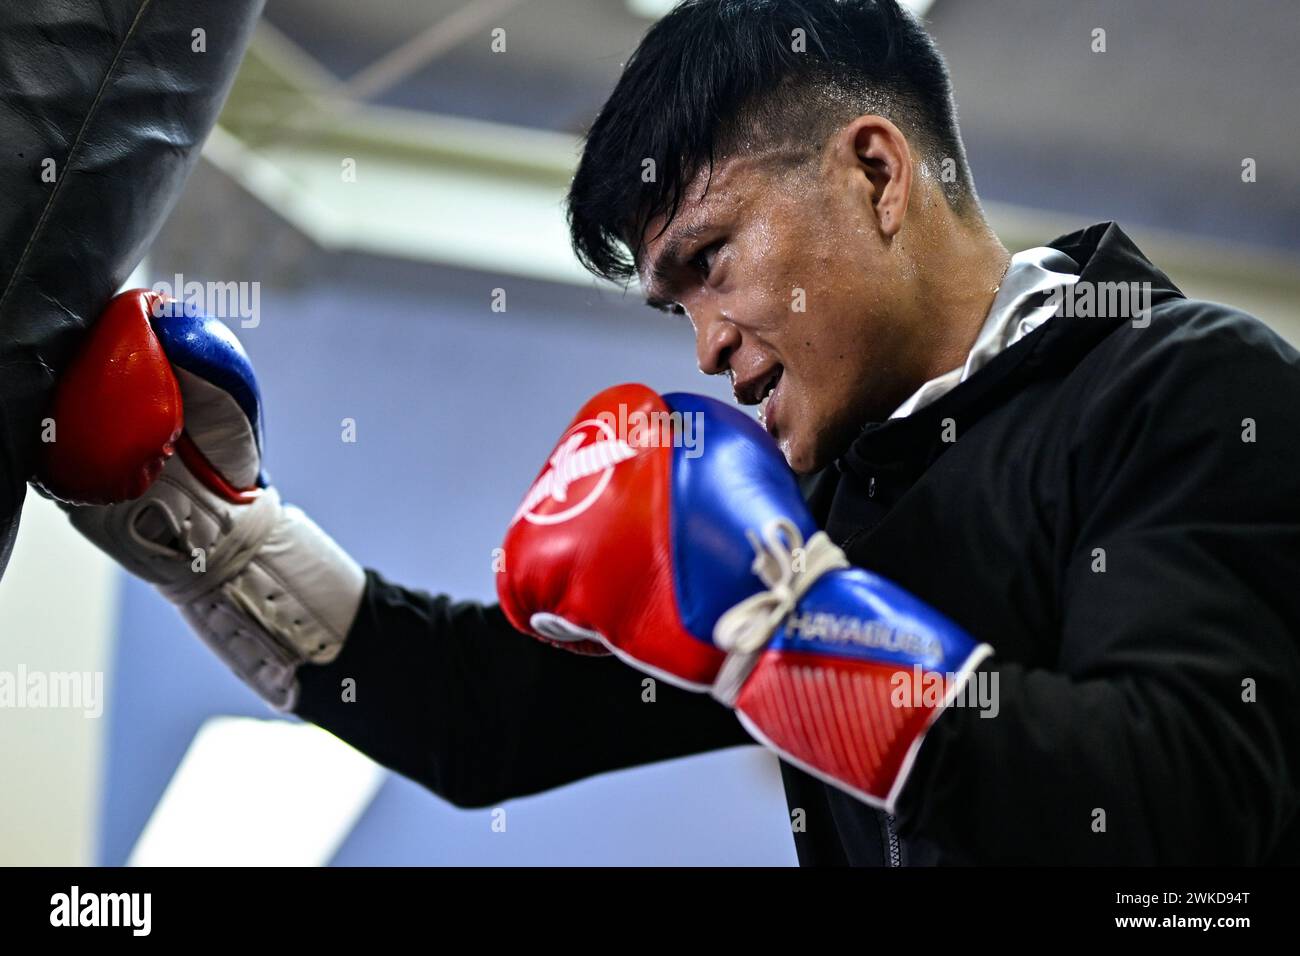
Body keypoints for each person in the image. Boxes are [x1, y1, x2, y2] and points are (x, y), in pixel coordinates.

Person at [44, 0, 1300, 864]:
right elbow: (480, 719)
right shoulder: (818, 506)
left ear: (875, 174)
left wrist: (796, 635)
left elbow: (1182, 824)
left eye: (712, 260)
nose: (703, 345)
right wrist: (205, 531)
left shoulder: (1188, 388)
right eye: (674, 302)